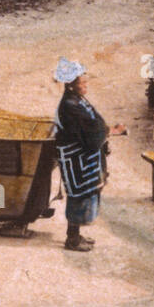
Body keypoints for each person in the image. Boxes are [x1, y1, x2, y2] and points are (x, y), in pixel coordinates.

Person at [52, 57, 125, 252]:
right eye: (82, 82)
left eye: (85, 81)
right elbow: (91, 130)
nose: (85, 85)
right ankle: (72, 239)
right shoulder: (70, 105)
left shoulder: (76, 100)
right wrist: (111, 131)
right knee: (78, 196)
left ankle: (75, 235)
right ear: (71, 86)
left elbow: (93, 125)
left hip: (80, 156)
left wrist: (106, 130)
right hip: (76, 158)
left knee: (81, 194)